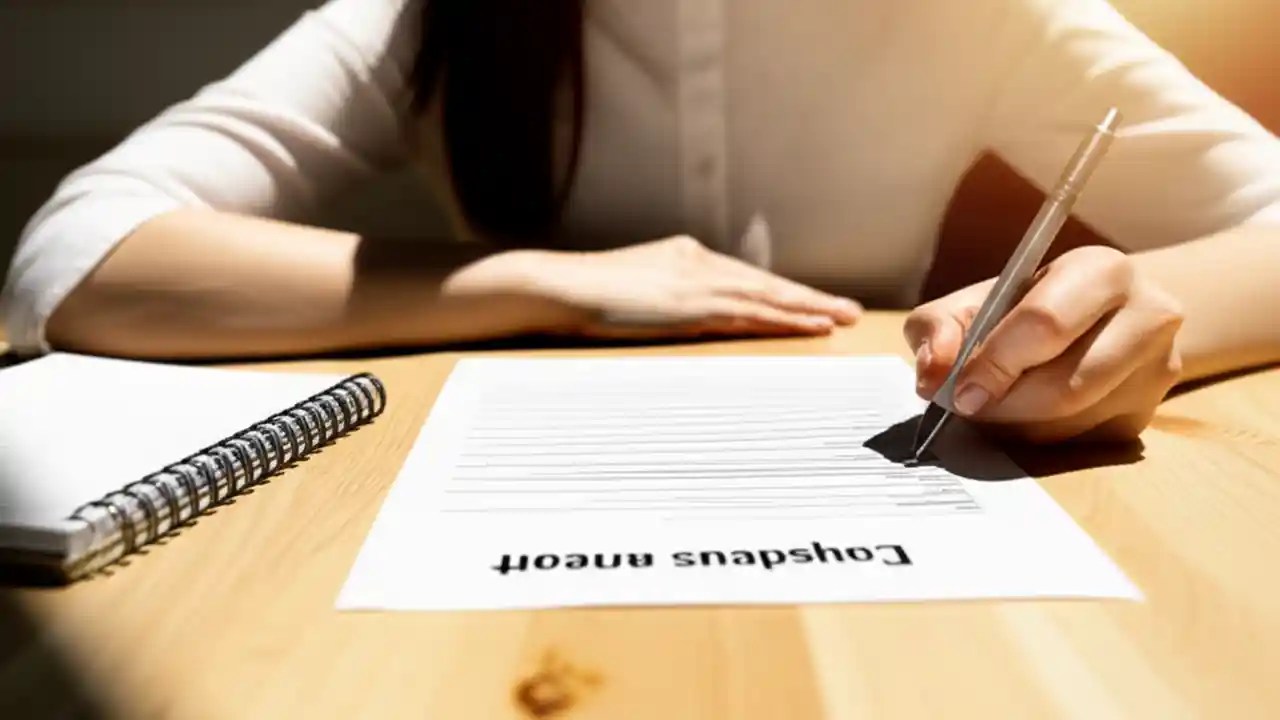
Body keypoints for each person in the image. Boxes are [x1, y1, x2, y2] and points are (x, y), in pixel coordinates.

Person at [3, 0, 1279, 444]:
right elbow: (68, 262)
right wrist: (544, 284)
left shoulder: (975, 20)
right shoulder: (431, 22)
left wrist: (1146, 318)